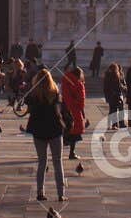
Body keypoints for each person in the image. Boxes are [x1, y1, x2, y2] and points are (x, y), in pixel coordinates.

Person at [24, 67, 69, 202]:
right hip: (54, 130)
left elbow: (27, 106)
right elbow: (60, 108)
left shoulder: (33, 95)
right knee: (57, 162)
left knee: (42, 162)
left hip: (39, 131)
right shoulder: (54, 93)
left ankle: (40, 192)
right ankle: (61, 194)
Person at [61, 61, 86, 161]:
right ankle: (72, 153)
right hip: (74, 110)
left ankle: (59, 150)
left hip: (64, 108)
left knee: (66, 130)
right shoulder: (79, 85)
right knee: (75, 132)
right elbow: (81, 100)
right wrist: (81, 111)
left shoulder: (65, 81)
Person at [103, 61, 126, 128]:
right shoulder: (110, 76)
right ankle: (117, 124)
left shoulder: (118, 75)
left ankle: (116, 124)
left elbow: (123, 85)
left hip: (116, 95)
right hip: (115, 95)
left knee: (114, 110)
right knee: (115, 110)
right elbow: (107, 87)